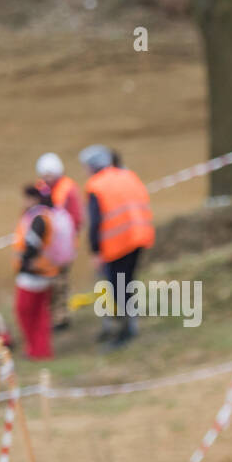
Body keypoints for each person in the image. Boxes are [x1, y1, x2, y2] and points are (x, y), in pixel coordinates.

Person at [79, 144, 153, 349]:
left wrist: (95, 250)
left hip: (117, 242)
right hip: (139, 235)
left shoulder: (96, 185)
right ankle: (130, 325)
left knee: (117, 288)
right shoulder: (127, 175)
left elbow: (96, 222)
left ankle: (124, 332)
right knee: (127, 283)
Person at [12, 182, 69, 360]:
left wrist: (24, 263)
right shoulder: (47, 215)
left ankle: (35, 349)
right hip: (45, 272)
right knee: (41, 314)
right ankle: (42, 350)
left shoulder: (37, 218)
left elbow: (32, 243)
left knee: (26, 312)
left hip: (33, 273)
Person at [34, 152, 83, 331]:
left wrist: (70, 240)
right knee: (48, 282)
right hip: (46, 248)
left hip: (63, 246)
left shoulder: (68, 188)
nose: (47, 178)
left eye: (50, 174)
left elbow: (77, 218)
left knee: (61, 282)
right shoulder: (40, 188)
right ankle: (50, 315)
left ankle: (61, 317)